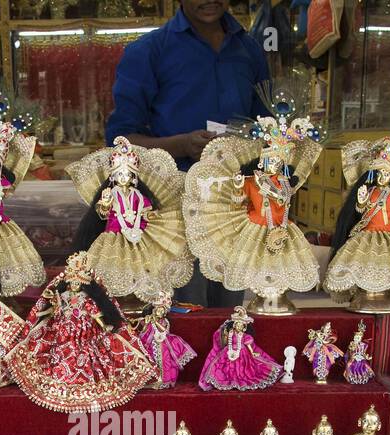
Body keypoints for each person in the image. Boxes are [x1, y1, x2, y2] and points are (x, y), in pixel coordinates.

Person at [104, 0, 269, 306]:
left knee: (231, 312)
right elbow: (119, 139)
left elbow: (266, 126)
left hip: (233, 203)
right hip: (174, 204)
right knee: (184, 310)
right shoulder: (148, 52)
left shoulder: (249, 50)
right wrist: (181, 145)